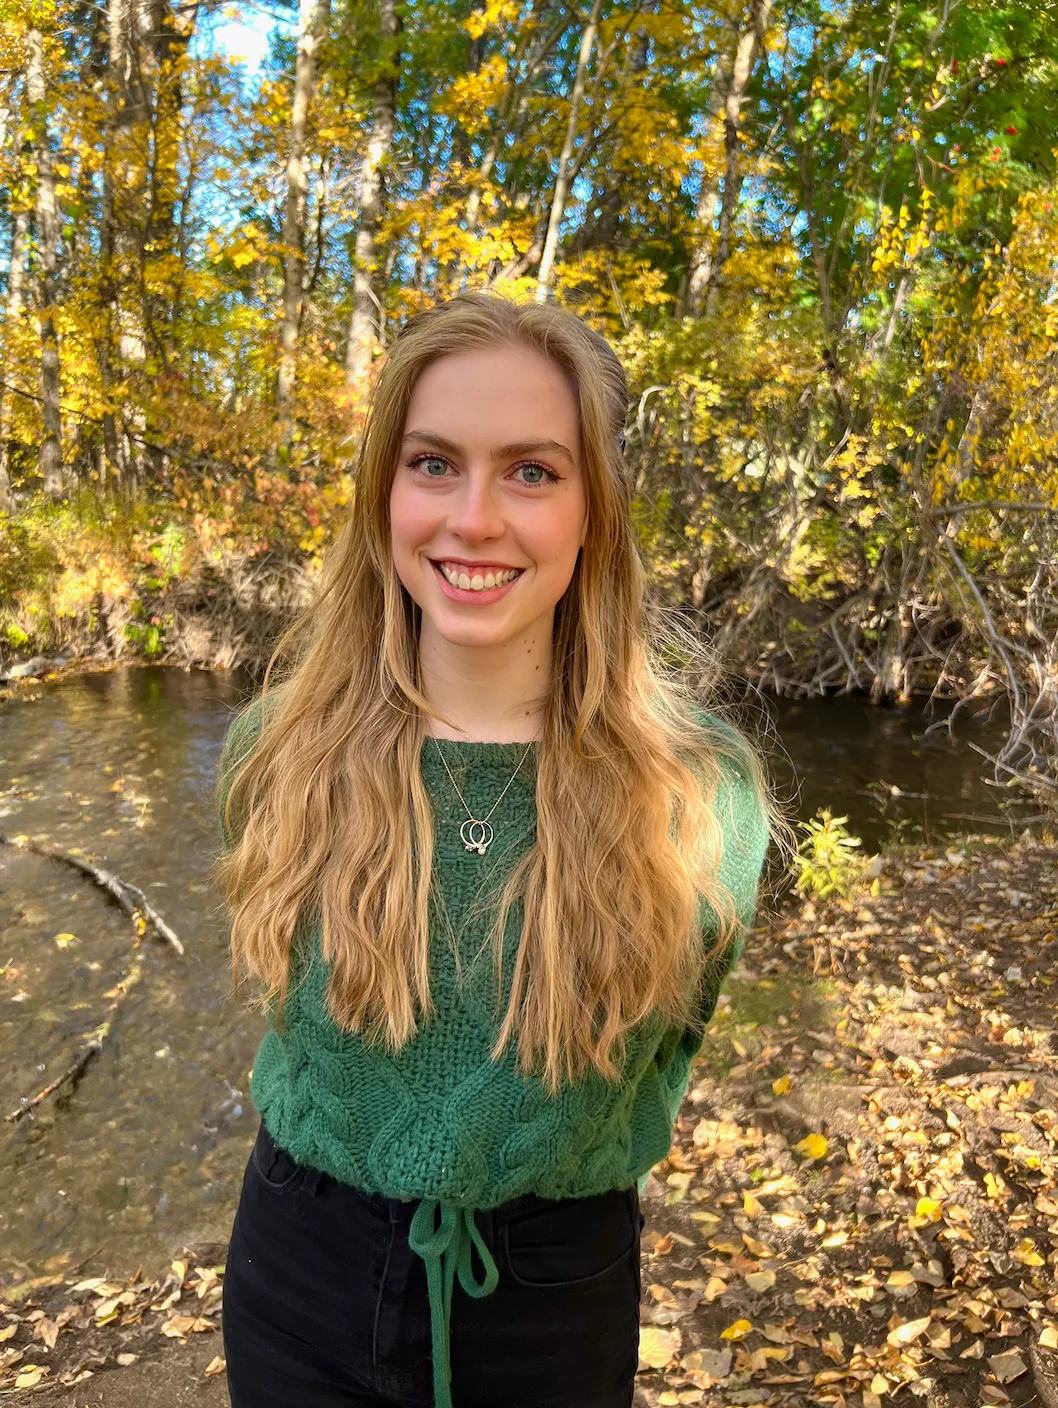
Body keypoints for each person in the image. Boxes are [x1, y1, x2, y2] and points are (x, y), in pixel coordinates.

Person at [214, 291, 778, 1408]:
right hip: (297, 1259)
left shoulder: (697, 795)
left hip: (553, 1288)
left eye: (530, 470)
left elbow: (666, 1050)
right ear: (383, 490)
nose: (473, 519)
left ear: (593, 511)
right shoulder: (271, 750)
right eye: (433, 463)